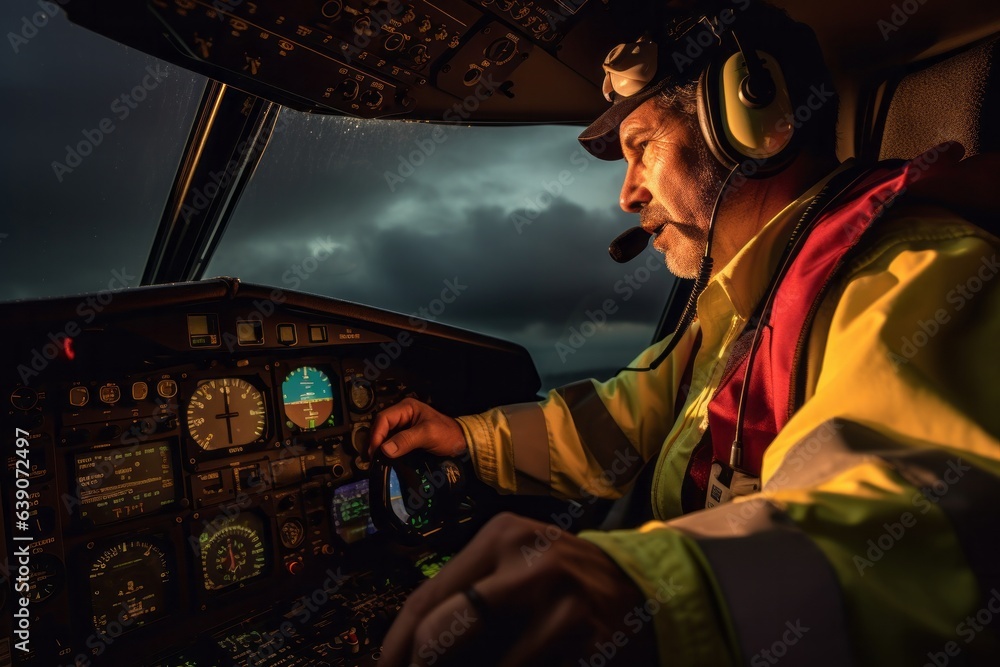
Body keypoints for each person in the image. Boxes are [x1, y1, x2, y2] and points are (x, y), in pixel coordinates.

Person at [370, 2, 1000, 665]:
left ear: (751, 118)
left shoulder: (910, 271)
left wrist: (655, 595)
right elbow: (620, 422)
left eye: (642, 146)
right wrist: (465, 436)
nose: (627, 195)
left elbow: (922, 528)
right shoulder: (737, 308)